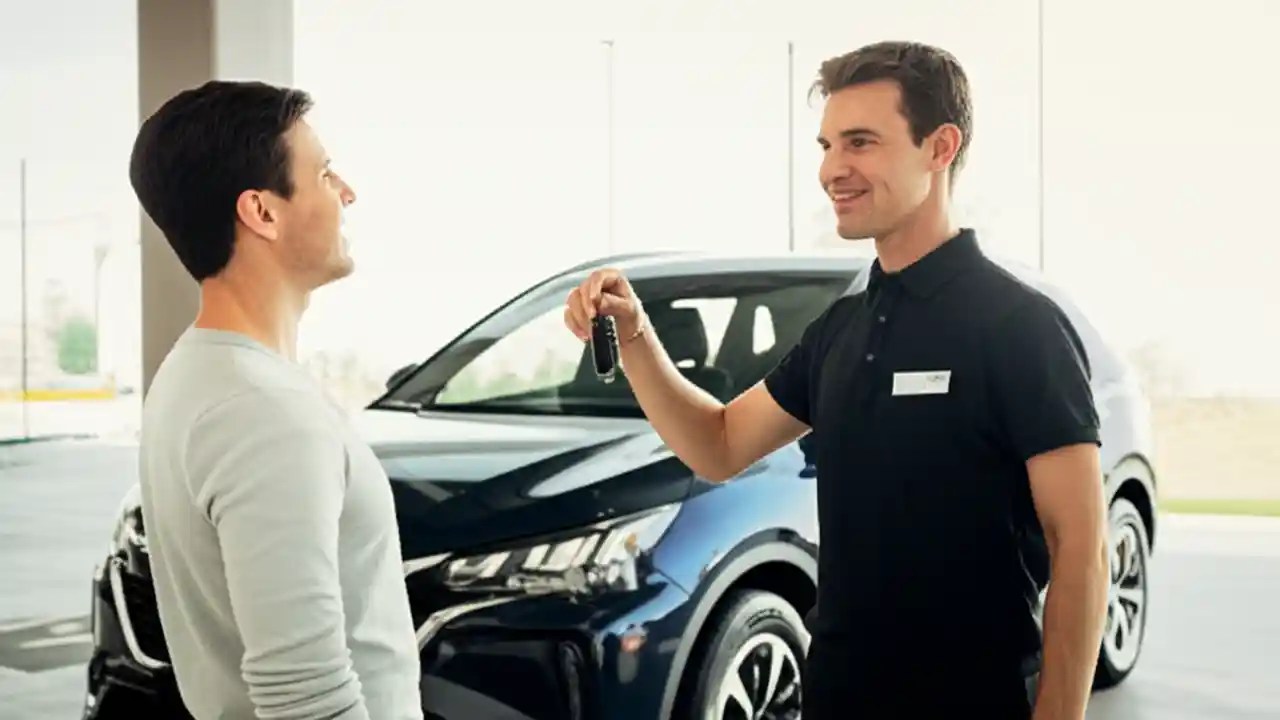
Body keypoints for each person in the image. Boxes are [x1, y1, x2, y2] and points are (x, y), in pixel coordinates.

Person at [563, 41, 1109, 719]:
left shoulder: (1020, 327)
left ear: (939, 148)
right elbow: (719, 443)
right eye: (826, 145)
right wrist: (638, 335)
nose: (831, 170)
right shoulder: (841, 330)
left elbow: (1079, 548)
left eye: (860, 142)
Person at [129, 80, 423, 720]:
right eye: (322, 173)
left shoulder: (197, 375)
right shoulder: (261, 412)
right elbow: (306, 699)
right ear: (262, 212)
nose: (346, 192)